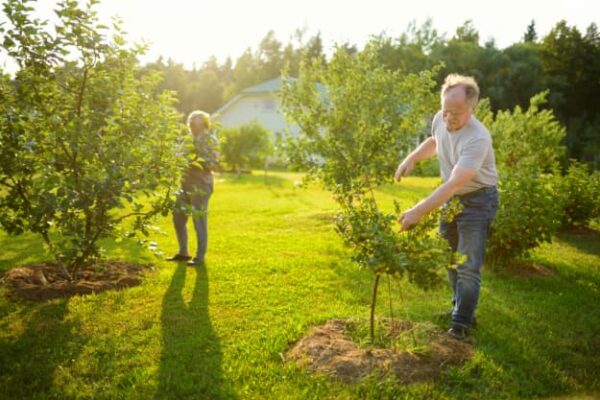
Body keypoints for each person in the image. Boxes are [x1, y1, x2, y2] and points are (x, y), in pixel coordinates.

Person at [394, 74, 499, 340]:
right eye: (445, 110)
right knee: (449, 258)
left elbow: (453, 184)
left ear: (472, 109)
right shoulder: (441, 119)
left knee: (467, 264)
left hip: (478, 200)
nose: (449, 118)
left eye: (457, 113)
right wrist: (413, 158)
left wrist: (417, 211)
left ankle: (461, 325)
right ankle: (460, 309)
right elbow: (435, 140)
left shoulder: (478, 138)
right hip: (452, 200)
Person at [167, 110, 219, 266]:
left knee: (199, 221)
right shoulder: (187, 140)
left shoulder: (211, 140)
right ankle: (183, 252)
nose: (192, 126)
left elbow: (213, 164)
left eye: (195, 123)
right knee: (178, 218)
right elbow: (177, 157)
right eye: (190, 123)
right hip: (184, 184)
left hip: (201, 185)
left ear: (203, 124)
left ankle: (200, 256)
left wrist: (194, 159)